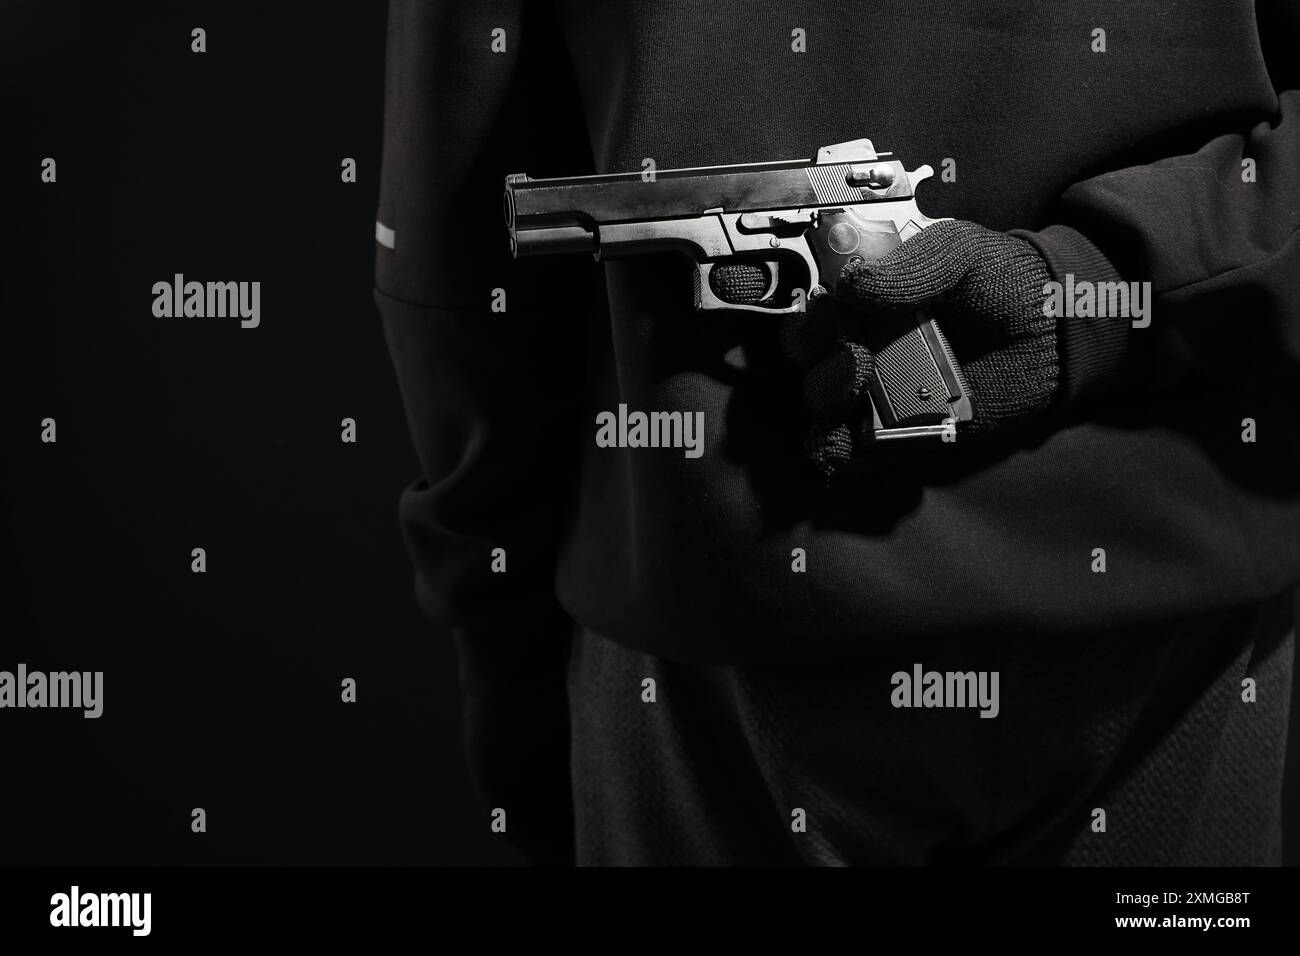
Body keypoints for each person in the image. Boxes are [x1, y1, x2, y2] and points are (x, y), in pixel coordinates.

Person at [374, 0, 1300, 865]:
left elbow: (450, 295)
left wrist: (503, 667)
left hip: (731, 658)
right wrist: (1119, 283)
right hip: (1171, 603)